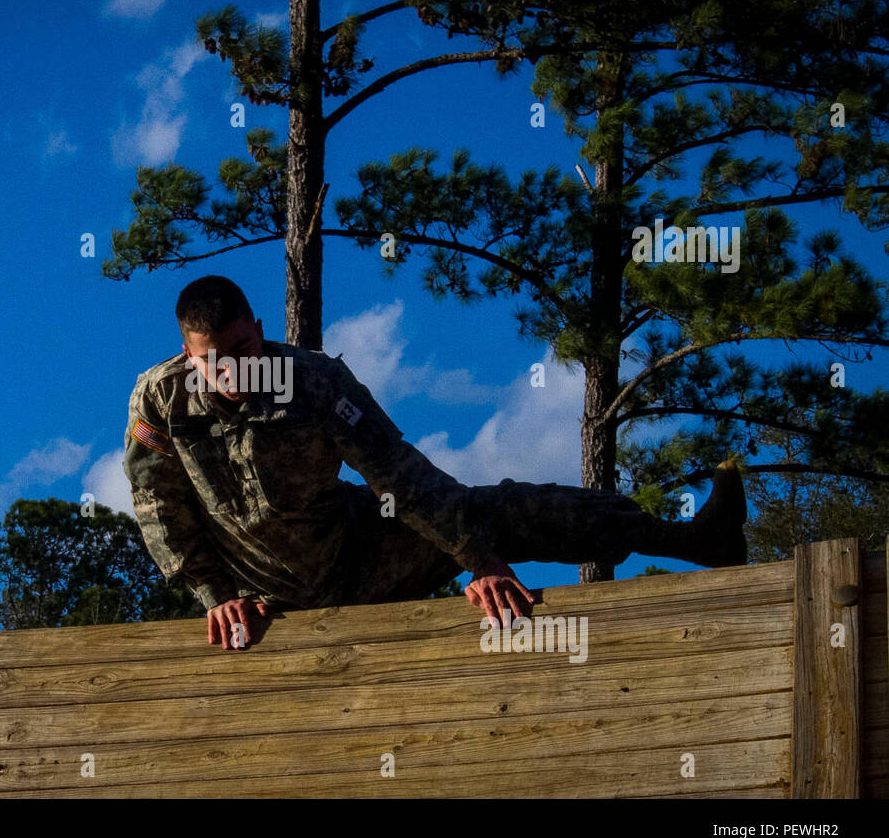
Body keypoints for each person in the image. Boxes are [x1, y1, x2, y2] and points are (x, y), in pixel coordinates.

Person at [122, 275, 748, 649]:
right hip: (265, 595)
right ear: (187, 354)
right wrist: (216, 596)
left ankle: (696, 539)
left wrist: (478, 559)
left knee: (496, 509)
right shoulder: (158, 400)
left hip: (358, 553)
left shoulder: (313, 383)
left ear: (260, 330)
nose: (233, 369)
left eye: (244, 349)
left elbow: (397, 473)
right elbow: (160, 510)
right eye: (214, 360)